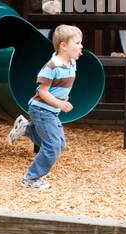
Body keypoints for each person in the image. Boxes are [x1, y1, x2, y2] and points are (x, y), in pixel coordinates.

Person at [7, 21, 84, 189]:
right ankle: (31, 179)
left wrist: (63, 98)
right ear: (63, 46)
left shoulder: (72, 63)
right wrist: (59, 103)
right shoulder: (51, 67)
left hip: (51, 111)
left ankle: (25, 128)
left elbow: (63, 85)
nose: (81, 46)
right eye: (77, 43)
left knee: (59, 145)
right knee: (52, 146)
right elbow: (42, 92)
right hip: (42, 110)